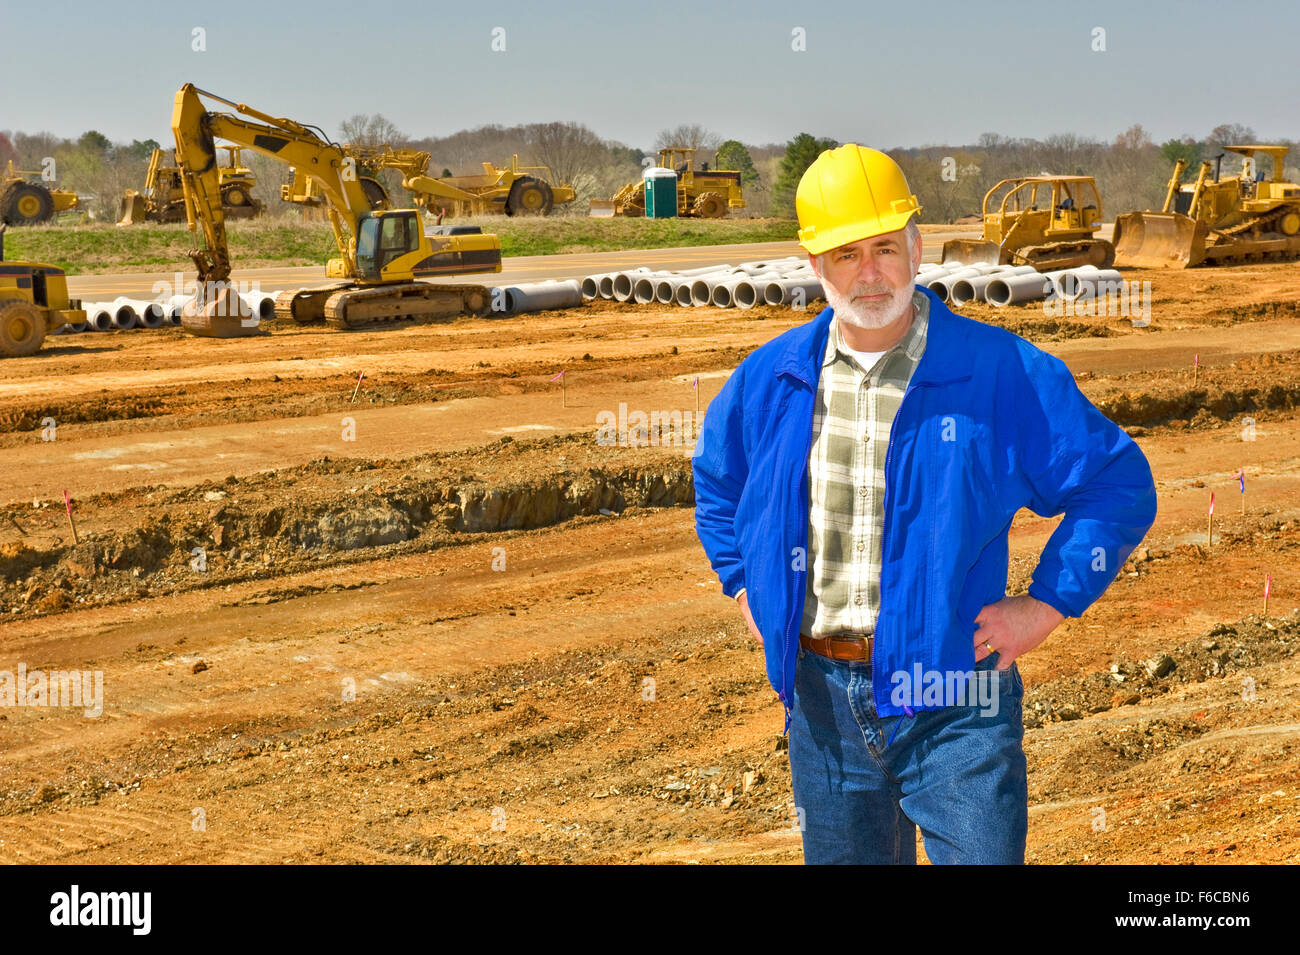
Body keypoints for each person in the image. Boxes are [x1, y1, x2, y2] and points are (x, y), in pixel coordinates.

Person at [691, 144, 1157, 864]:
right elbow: (719, 486)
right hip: (821, 703)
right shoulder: (770, 379)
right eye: (847, 254)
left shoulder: (999, 373)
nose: (869, 272)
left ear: (917, 247)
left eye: (885, 247)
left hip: (956, 703)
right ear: (816, 266)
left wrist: (1044, 607)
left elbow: (1118, 483)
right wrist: (747, 586)